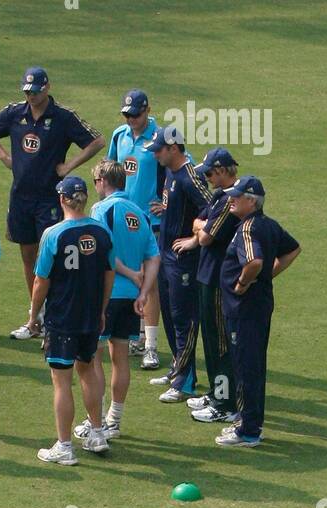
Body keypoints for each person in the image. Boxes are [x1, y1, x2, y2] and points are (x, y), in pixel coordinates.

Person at [0, 66, 103, 339]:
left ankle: (54, 317)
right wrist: (3, 156)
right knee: (28, 257)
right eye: (27, 91)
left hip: (50, 198)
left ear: (47, 88)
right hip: (21, 196)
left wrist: (69, 165)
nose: (31, 96)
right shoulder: (15, 113)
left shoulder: (63, 117)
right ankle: (36, 316)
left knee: (51, 258)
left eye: (35, 91)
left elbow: (96, 141)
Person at [27, 175, 115, 463]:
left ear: (62, 199)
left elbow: (41, 280)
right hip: (91, 315)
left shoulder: (54, 234)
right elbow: (108, 273)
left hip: (62, 317)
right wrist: (101, 309)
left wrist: (33, 314)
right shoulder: (102, 231)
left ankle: (64, 446)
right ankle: (98, 432)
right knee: (88, 371)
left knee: (61, 381)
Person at [71, 160, 159, 442]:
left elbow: (102, 251)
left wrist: (130, 273)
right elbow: (154, 256)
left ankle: (94, 421)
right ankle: (114, 419)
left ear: (101, 181)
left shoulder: (102, 209)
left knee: (92, 359)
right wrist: (143, 290)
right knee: (120, 359)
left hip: (105, 296)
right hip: (132, 299)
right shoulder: (139, 213)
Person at [217, 176, 300, 447]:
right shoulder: (268, 224)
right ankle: (247, 421)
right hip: (258, 306)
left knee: (246, 367)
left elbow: (254, 261)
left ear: (251, 201)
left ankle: (248, 430)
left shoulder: (247, 229)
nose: (231, 199)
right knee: (251, 365)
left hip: (245, 310)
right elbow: (292, 249)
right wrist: (269, 275)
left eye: (237, 196)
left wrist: (243, 282)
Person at [145, 124, 211, 402]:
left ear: (173, 148)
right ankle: (177, 369)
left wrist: (195, 240)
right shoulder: (171, 173)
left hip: (184, 260)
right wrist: (168, 209)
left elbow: (213, 210)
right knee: (170, 317)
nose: (155, 154)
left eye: (159, 149)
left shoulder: (189, 176)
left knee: (184, 319)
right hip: (166, 255)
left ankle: (185, 382)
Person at [107, 89, 163, 368]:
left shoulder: (161, 137)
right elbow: (110, 171)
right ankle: (135, 336)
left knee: (150, 282)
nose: (131, 119)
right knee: (130, 277)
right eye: (127, 115)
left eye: (136, 114)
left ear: (147, 110)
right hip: (122, 219)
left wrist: (165, 200)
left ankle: (151, 346)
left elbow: (180, 167)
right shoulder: (119, 135)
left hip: (150, 221)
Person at [187, 147, 240, 424]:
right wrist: (201, 226)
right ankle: (215, 392)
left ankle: (226, 403)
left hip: (220, 280)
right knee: (209, 338)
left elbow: (206, 236)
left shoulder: (232, 199)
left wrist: (200, 227)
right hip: (208, 275)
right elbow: (200, 223)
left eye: (209, 173)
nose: (206, 177)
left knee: (220, 343)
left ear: (221, 171)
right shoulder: (220, 196)